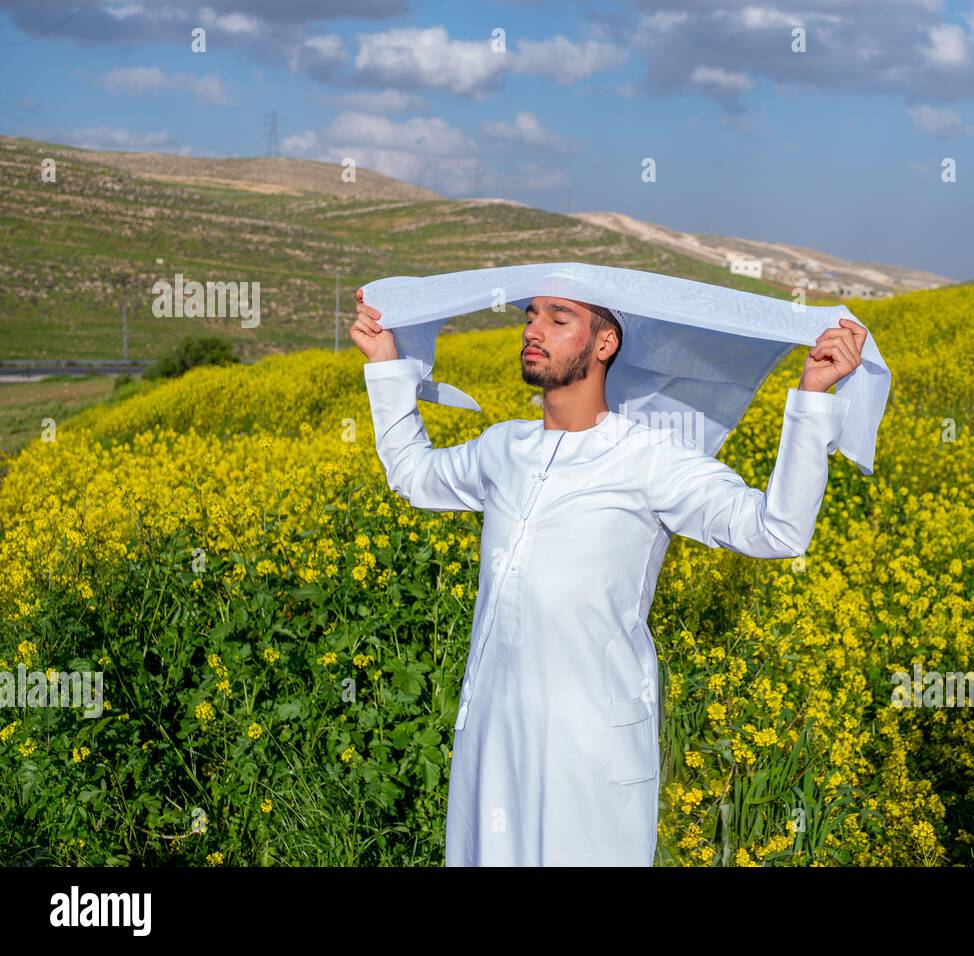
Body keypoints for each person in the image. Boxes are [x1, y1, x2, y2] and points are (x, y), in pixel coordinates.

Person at [351, 287, 866, 865]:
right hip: (495, 736)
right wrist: (384, 363)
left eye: (558, 317)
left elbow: (776, 531)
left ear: (605, 342)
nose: (532, 330)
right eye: (530, 316)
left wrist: (812, 398)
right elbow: (413, 474)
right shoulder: (504, 448)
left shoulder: (650, 459)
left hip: (590, 747)